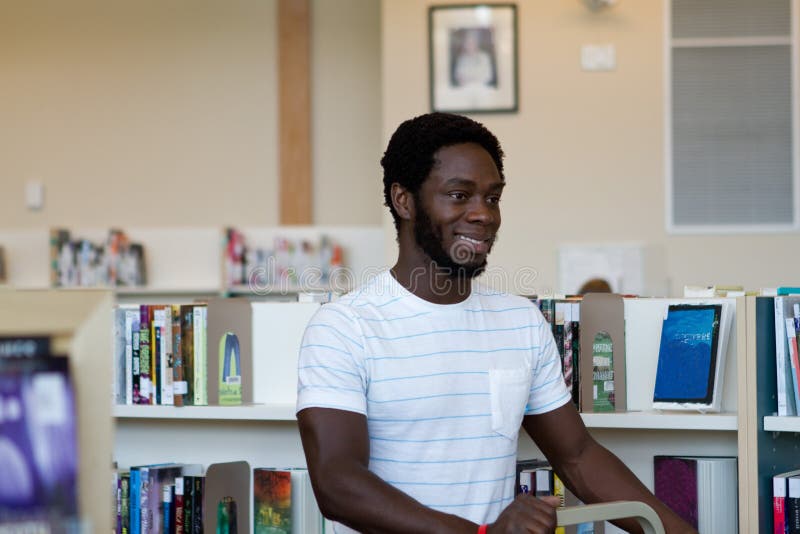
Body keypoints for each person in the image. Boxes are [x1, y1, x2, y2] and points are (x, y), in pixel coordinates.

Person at [296, 113, 695, 534]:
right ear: (404, 201)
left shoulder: (521, 322)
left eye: (492, 197)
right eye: (459, 195)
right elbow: (337, 482)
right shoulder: (343, 327)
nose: (483, 214)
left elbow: (578, 456)